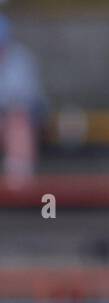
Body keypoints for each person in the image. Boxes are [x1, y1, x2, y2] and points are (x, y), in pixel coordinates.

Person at [0, 15, 43, 190]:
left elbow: (25, 102)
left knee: (18, 122)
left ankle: (19, 189)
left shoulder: (21, 59)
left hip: (21, 121)